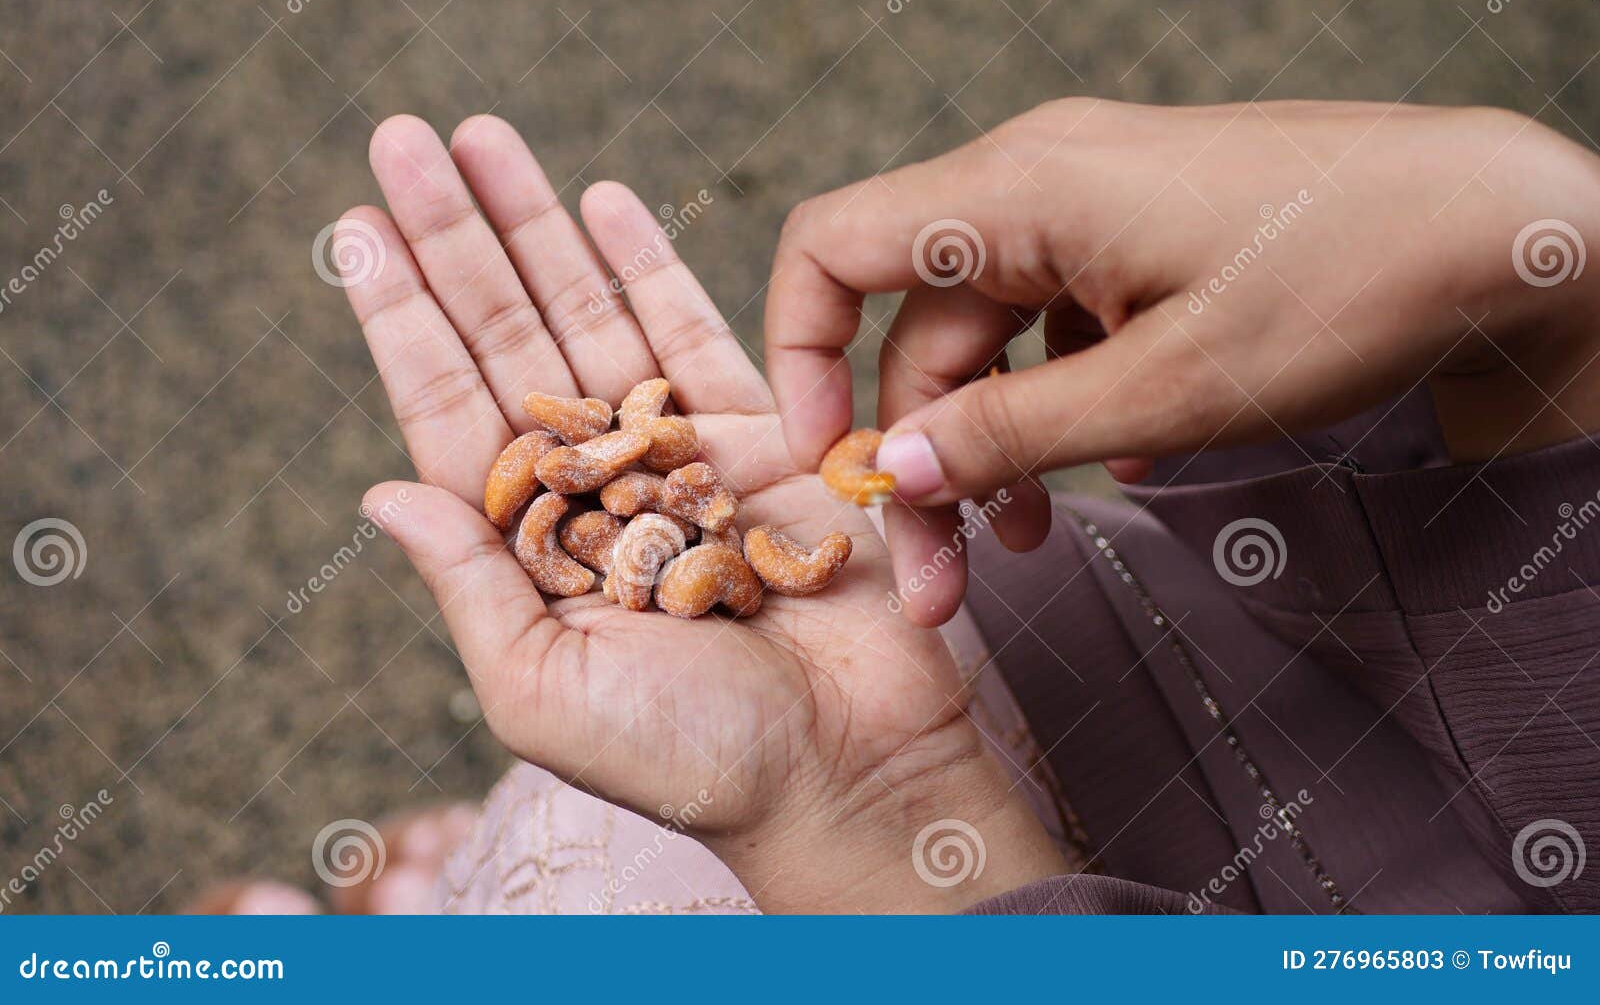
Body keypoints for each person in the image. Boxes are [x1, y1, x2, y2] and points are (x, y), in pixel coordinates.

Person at [204, 101, 1600, 913]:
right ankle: (470, 884)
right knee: (575, 837)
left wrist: (873, 809)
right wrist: (1559, 319)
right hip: (1148, 663)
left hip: (927, 871)